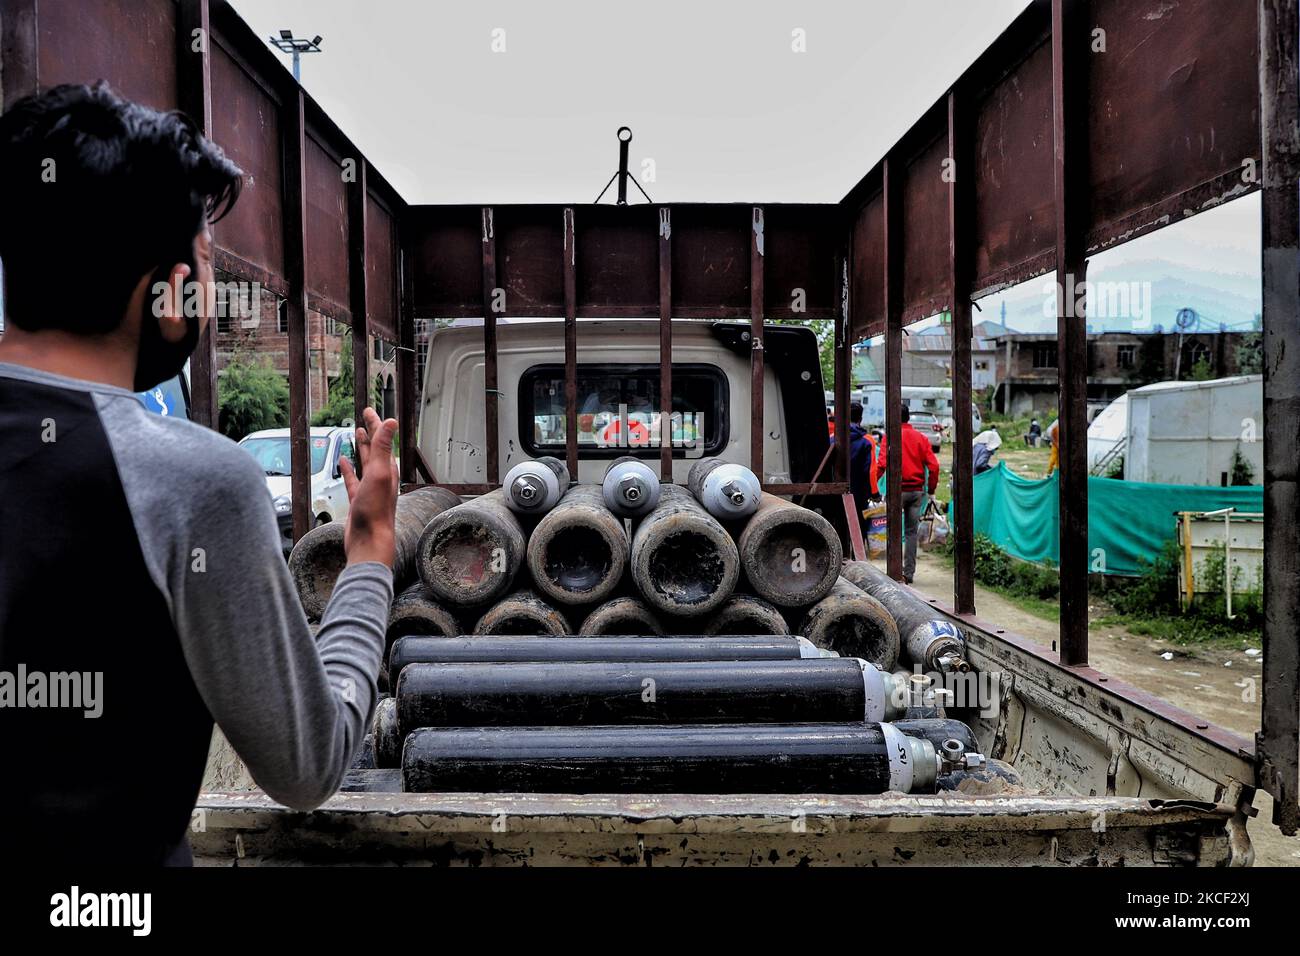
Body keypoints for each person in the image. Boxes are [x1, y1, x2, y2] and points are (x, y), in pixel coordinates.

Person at [0, 83, 399, 865]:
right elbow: (307, 763)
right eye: (208, 262)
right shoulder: (193, 483)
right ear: (170, 289)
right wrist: (369, 559)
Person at [876, 404, 940, 584]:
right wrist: (932, 488)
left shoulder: (890, 437)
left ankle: (894, 572)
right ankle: (908, 573)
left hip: (896, 492)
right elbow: (934, 466)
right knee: (911, 532)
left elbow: (881, 465)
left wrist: (873, 487)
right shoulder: (921, 438)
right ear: (908, 418)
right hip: (916, 491)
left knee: (893, 530)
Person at [832, 402, 879, 530]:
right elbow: (871, 470)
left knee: (839, 527)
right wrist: (875, 493)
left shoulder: (833, 439)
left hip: (836, 492)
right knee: (859, 528)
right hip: (860, 494)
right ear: (861, 419)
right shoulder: (868, 441)